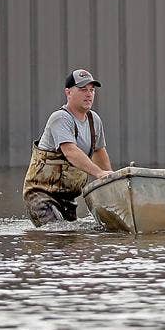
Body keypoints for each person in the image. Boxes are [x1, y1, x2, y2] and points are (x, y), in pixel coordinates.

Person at [22, 68, 113, 225]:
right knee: (57, 234)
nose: (89, 94)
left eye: (91, 90)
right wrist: (99, 173)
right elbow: (70, 152)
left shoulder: (94, 120)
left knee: (71, 234)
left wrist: (112, 182)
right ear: (68, 92)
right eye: (83, 89)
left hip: (68, 198)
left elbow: (99, 152)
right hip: (41, 195)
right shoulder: (60, 118)